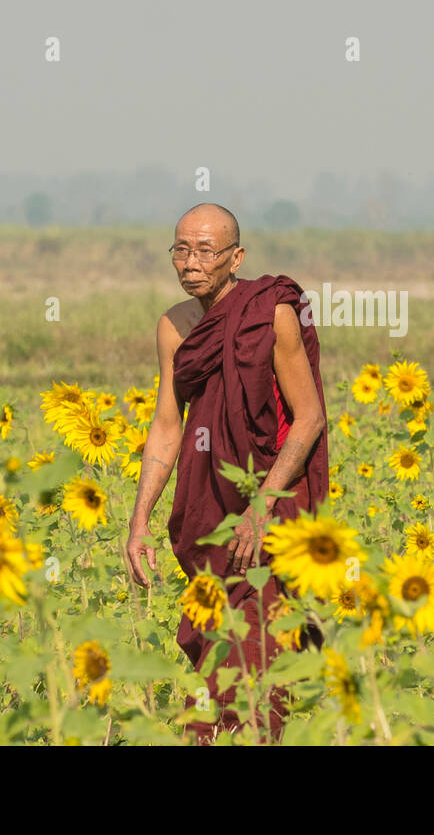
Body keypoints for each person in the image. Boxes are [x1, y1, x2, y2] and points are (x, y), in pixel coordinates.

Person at [123, 203, 328, 744]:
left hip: (270, 502)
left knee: (257, 646)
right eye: (181, 250)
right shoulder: (174, 326)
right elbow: (167, 426)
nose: (190, 262)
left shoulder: (270, 313)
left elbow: (308, 419)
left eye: (205, 251)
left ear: (236, 257)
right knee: (216, 638)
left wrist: (261, 509)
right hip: (208, 509)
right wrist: (138, 523)